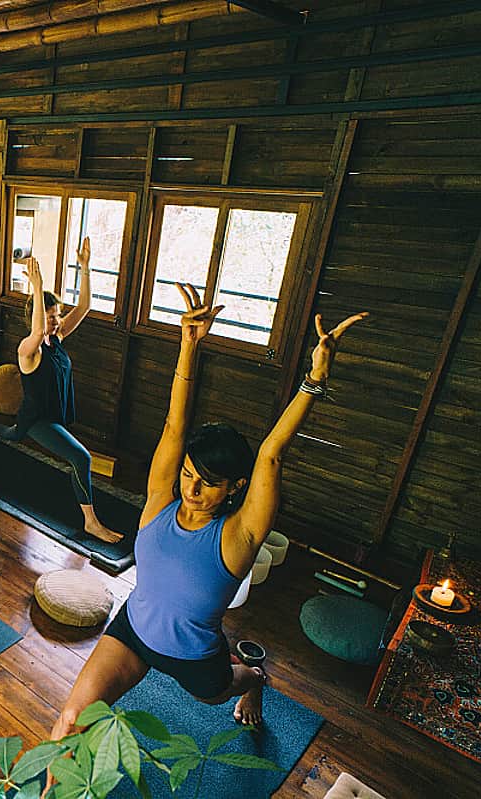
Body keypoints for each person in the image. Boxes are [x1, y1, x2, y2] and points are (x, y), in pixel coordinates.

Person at [48, 284, 367, 741]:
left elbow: (271, 453)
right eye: (188, 474)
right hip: (132, 631)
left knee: (226, 689)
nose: (192, 488)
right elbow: (175, 424)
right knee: (70, 721)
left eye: (209, 482)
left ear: (236, 487)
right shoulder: (161, 500)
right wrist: (188, 345)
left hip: (197, 660)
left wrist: (313, 380)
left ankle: (255, 679)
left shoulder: (239, 536)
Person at [0, 238, 121, 543]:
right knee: (81, 458)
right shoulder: (28, 350)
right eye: (51, 315)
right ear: (39, 316)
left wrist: (86, 268)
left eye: (58, 314)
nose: (56, 319)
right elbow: (37, 330)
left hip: (54, 414)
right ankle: (91, 522)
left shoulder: (58, 337)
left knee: (11, 434)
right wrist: (37, 288)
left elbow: (86, 306)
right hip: (38, 419)